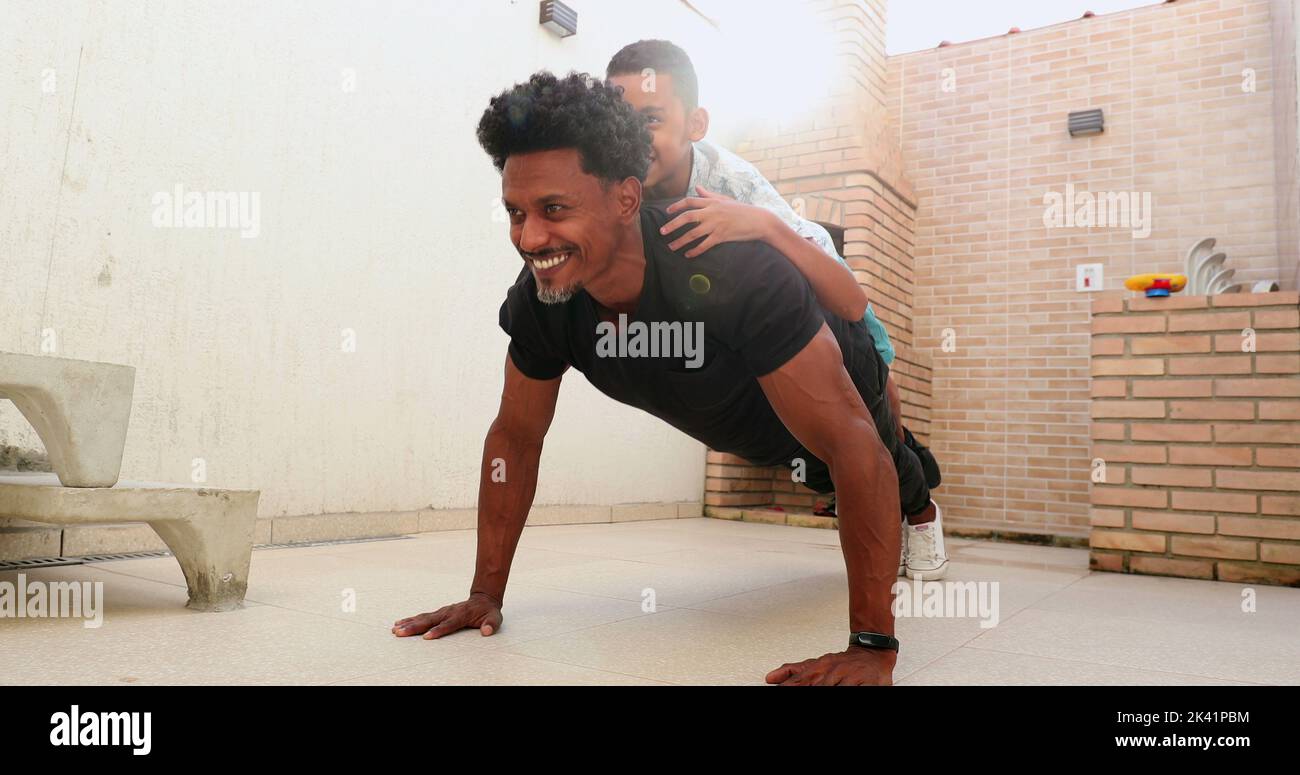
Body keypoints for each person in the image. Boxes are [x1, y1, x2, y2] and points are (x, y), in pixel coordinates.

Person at [393, 71, 934, 685]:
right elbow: (515, 438)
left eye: (554, 210)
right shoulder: (543, 300)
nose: (529, 238)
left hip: (838, 367)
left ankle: (921, 508)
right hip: (751, 428)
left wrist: (871, 648)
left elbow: (850, 442)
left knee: (886, 458)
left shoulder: (734, 268)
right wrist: (484, 593)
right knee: (813, 470)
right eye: (515, 213)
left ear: (626, 199)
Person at [605, 40, 946, 579]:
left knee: (882, 424)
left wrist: (763, 225)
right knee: (821, 454)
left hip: (832, 305)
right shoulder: (614, 184)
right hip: (752, 333)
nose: (632, 138)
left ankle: (921, 513)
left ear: (695, 123)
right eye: (620, 121)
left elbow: (851, 300)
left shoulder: (732, 184)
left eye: (650, 118)